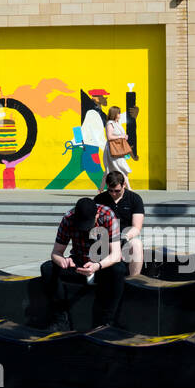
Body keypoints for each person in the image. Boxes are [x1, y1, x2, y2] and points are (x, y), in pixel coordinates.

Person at [40, 196, 126, 329]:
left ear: (97, 215)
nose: (85, 229)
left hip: (102, 266)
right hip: (79, 263)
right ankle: (61, 319)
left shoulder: (108, 215)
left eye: (88, 224)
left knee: (118, 269)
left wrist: (97, 266)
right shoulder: (69, 218)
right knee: (47, 268)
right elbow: (56, 253)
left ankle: (107, 322)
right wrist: (63, 261)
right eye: (81, 225)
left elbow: (116, 255)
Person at [95, 169, 144, 276]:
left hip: (125, 237)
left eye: (117, 191)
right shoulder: (99, 199)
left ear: (124, 185)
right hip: (105, 239)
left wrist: (124, 237)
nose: (113, 194)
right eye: (110, 190)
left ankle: (134, 280)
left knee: (137, 244)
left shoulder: (135, 199)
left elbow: (137, 227)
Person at [103, 106, 134, 192]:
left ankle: (101, 189)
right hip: (113, 150)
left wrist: (124, 136)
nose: (120, 114)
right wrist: (121, 136)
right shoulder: (110, 123)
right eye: (118, 113)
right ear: (115, 114)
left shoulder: (116, 123)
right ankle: (128, 188)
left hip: (118, 150)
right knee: (121, 168)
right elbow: (109, 137)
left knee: (111, 170)